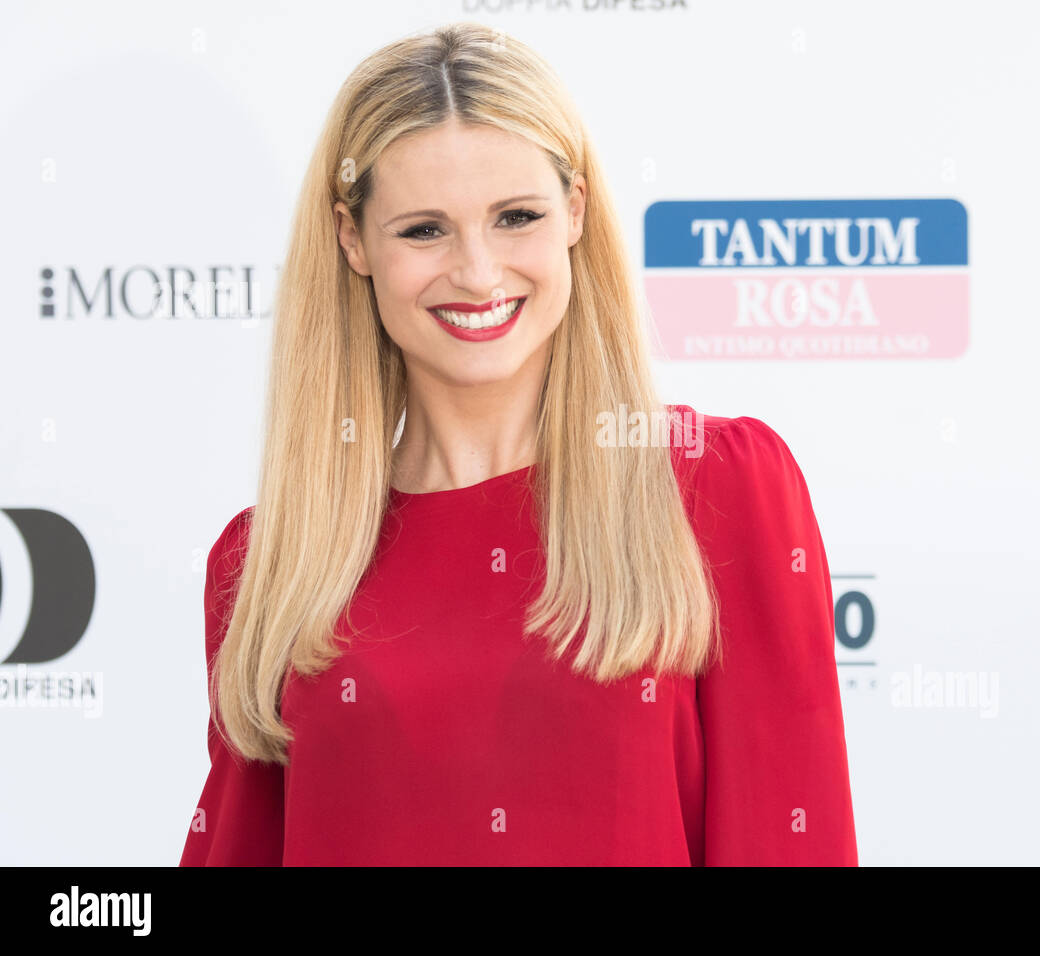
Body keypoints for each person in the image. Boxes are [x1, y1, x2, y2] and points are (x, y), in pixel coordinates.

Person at [179, 22, 856, 866]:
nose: (479, 272)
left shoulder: (717, 489)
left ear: (575, 212)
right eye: (424, 230)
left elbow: (792, 838)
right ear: (353, 240)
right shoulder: (272, 562)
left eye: (515, 217)